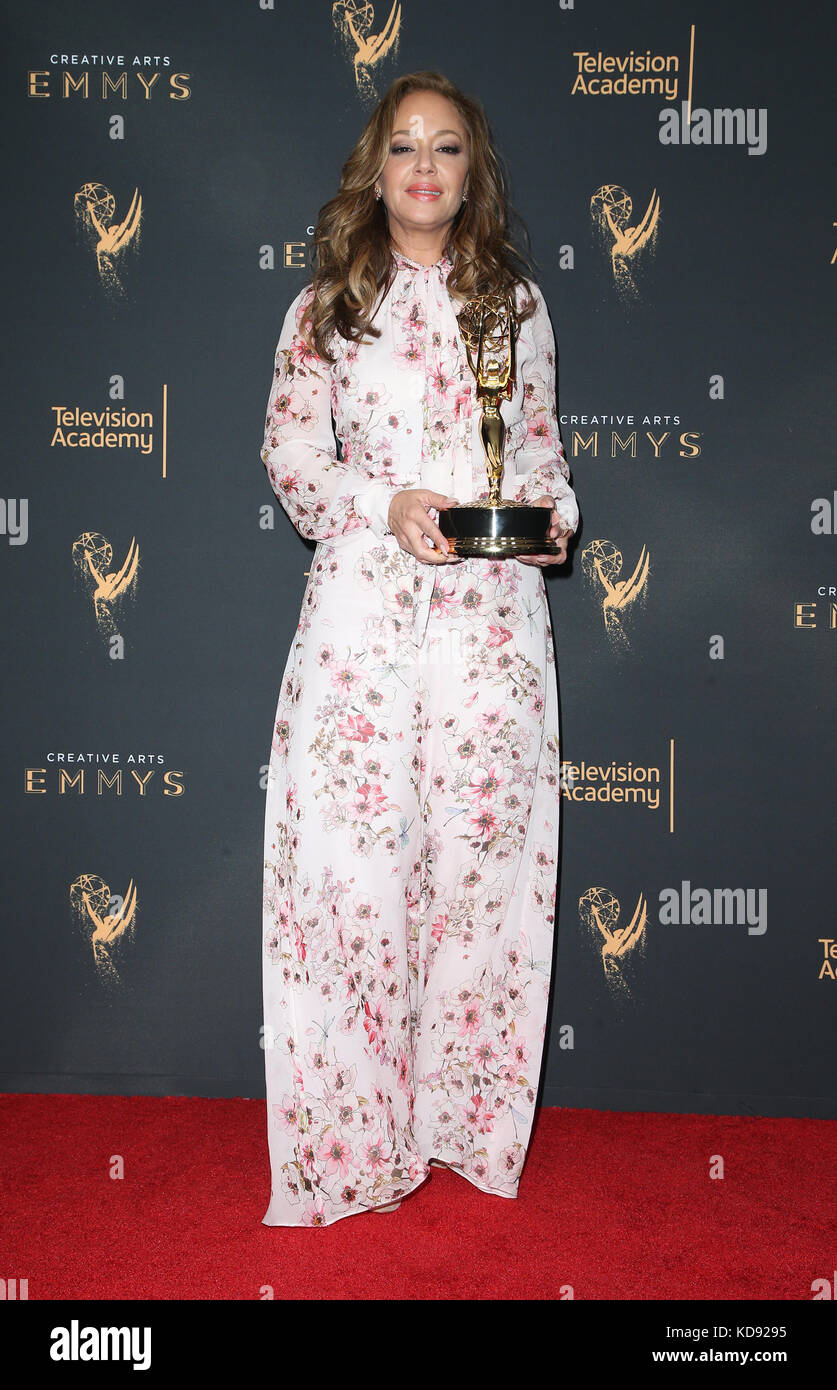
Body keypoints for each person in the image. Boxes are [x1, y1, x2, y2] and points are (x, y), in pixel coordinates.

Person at [260, 71, 580, 1227]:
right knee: (352, 878)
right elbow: (294, 461)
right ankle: (354, 1141)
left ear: (471, 169)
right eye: (406, 146)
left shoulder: (520, 305)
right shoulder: (322, 309)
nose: (427, 166)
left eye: (449, 147)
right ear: (376, 166)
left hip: (493, 624)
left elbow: (537, 451)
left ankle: (459, 1121)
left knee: (481, 878)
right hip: (363, 621)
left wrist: (551, 521)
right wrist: (384, 502)